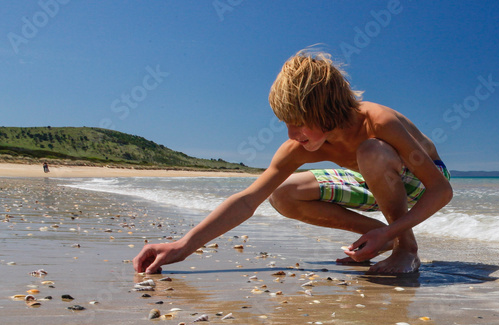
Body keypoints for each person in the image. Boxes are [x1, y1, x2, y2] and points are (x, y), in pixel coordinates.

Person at [132, 50, 452, 275]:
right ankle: (380, 235)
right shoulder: (300, 146)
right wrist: (183, 246)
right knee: (282, 193)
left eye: (299, 122)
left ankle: (405, 247)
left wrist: (399, 232)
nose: (291, 133)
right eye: (286, 123)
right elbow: (247, 201)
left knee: (370, 151)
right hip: (372, 181)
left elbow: (441, 190)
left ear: (326, 111)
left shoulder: (378, 122)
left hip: (419, 182)